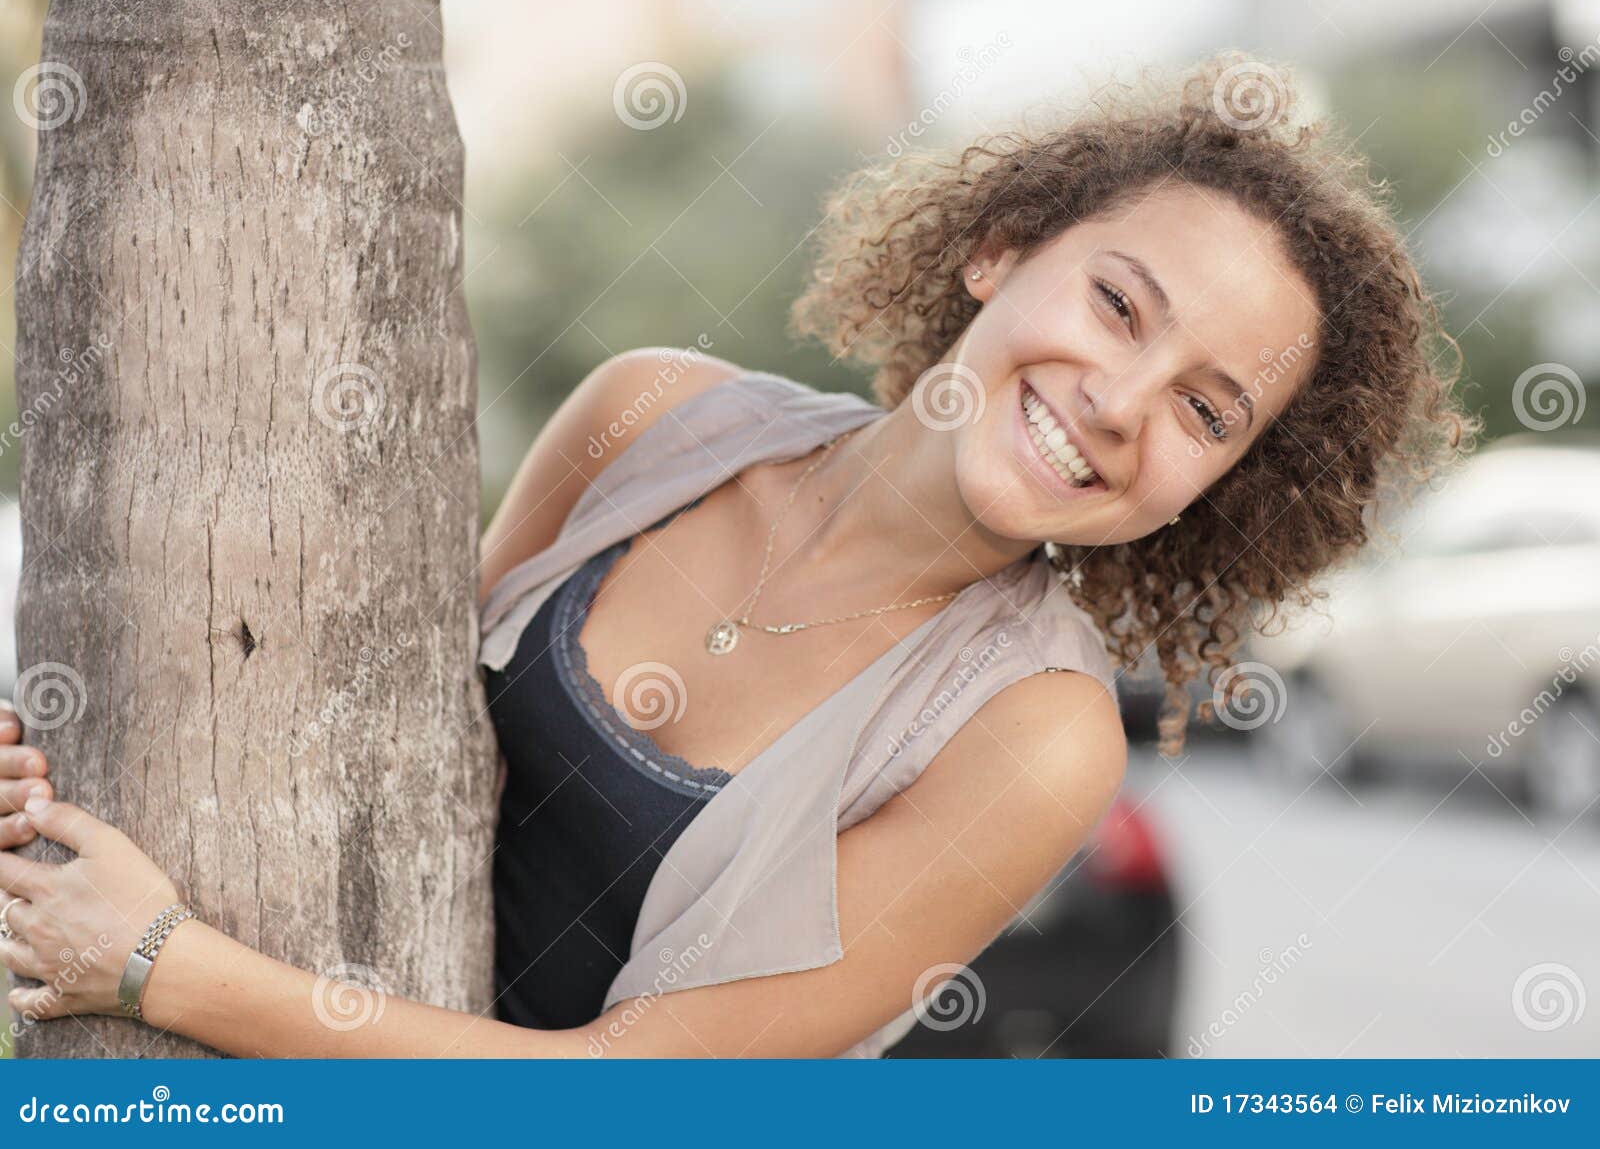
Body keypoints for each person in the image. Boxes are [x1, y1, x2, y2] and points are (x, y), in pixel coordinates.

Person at [0, 56, 1474, 1058]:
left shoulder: (1035, 734)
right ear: (999, 247)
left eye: (1206, 413)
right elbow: (383, 736)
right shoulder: (652, 414)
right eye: (1117, 304)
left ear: (1209, 489)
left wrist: (167, 963)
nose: (1119, 401)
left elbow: (644, 1095)